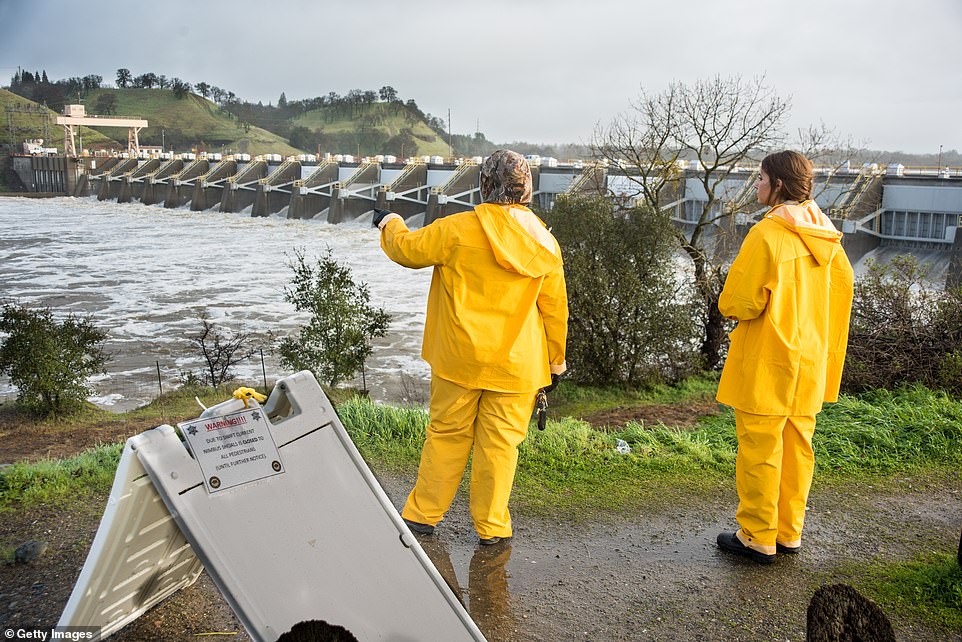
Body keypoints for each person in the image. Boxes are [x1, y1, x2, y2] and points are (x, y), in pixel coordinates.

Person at [374, 150, 568, 546]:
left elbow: (406, 250)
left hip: (459, 359)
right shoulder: (545, 243)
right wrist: (555, 363)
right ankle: (493, 528)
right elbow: (555, 313)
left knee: (446, 434)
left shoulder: (458, 229)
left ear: (484, 185)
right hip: (516, 367)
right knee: (500, 446)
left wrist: (389, 221)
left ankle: (422, 517)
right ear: (527, 189)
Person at [715, 150, 854, 564]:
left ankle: (757, 535)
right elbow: (842, 294)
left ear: (777, 185)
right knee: (797, 450)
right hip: (810, 362)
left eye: (760, 178)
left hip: (769, 360)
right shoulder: (828, 236)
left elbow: (738, 303)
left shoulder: (768, 235)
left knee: (760, 450)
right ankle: (788, 532)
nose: (756, 184)